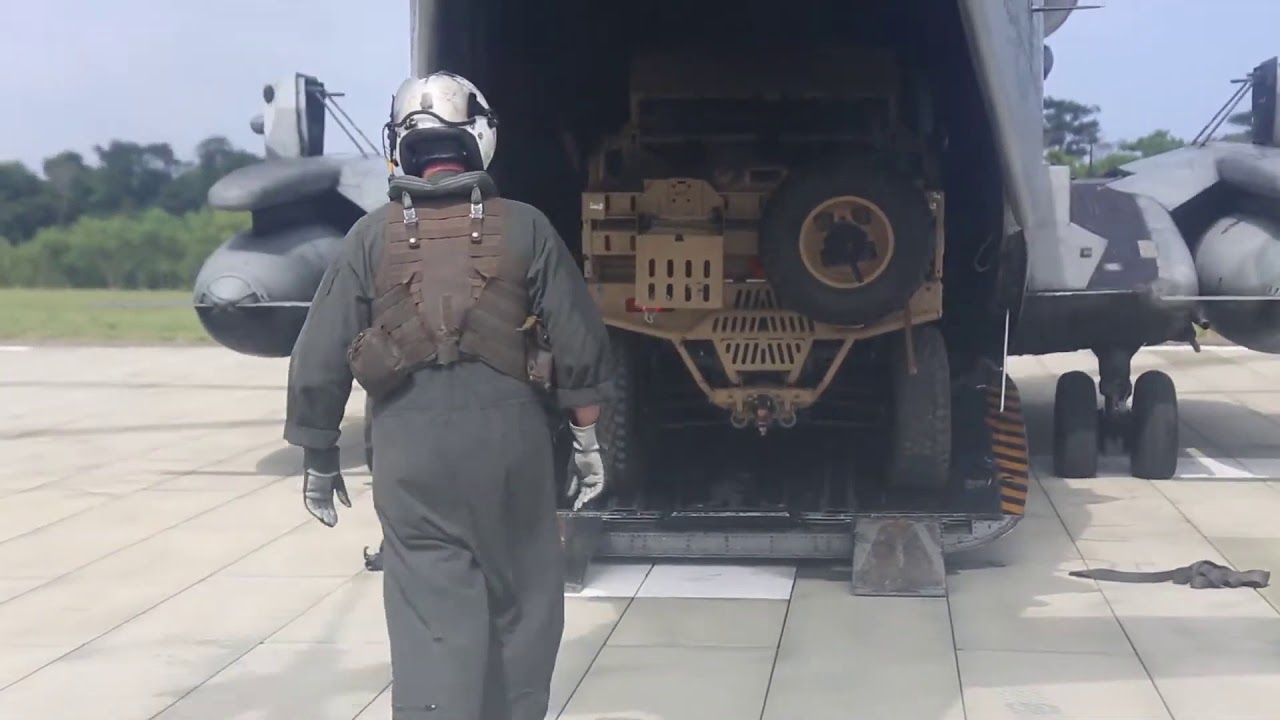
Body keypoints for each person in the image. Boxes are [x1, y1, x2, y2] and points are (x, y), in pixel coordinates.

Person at [283, 71, 614, 720]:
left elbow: (318, 356)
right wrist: (586, 438)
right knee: (525, 600)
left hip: (412, 449)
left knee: (431, 612)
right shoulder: (528, 229)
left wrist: (319, 455)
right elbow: (579, 344)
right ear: (479, 137)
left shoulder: (369, 237)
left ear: (401, 144)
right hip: (511, 444)